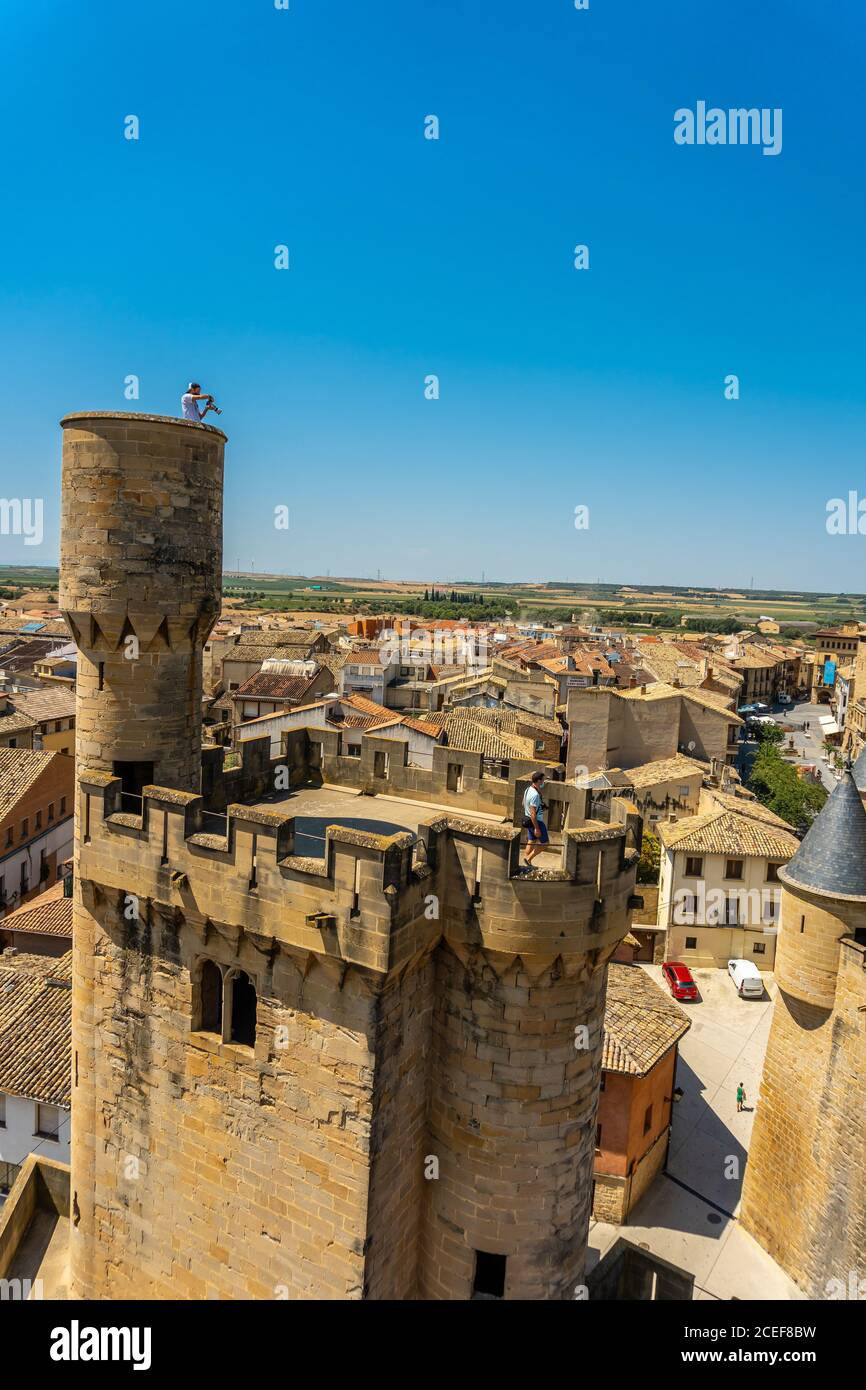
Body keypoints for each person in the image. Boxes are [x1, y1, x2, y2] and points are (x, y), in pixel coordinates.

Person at [521, 770, 549, 870]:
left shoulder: (528, 789)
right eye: (542, 780)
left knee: (531, 841)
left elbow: (523, 804)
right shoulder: (535, 795)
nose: (543, 782)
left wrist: (539, 808)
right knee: (545, 843)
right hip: (536, 822)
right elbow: (533, 813)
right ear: (538, 781)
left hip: (528, 819)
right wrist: (537, 828)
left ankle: (525, 863)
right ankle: (528, 859)